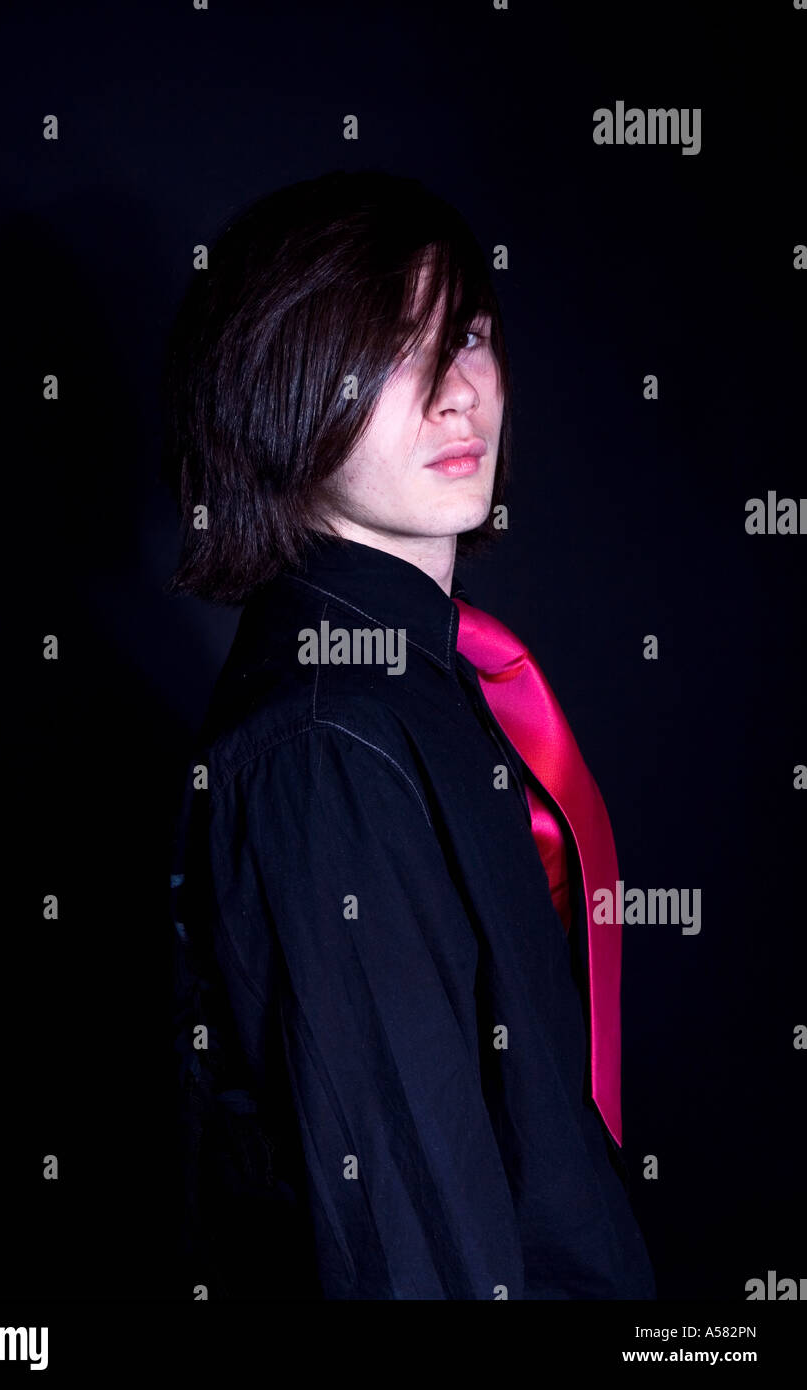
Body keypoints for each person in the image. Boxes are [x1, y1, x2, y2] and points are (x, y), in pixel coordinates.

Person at [164, 168, 657, 1300]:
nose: (455, 393)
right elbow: (410, 1245)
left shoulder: (433, 676)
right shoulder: (325, 747)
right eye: (389, 352)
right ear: (278, 390)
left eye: (467, 335)